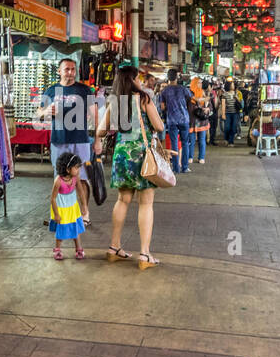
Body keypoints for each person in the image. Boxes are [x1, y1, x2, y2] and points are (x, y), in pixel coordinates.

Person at [95, 64, 167, 269]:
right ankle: (144, 254)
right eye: (139, 78)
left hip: (121, 155)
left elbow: (100, 131)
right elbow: (159, 126)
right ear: (133, 80)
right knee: (145, 203)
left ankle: (114, 247)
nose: (141, 82)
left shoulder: (115, 102)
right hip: (141, 156)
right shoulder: (143, 99)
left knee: (122, 200)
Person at [37, 57, 96, 225]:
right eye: (66, 69)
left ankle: (84, 213)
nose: (70, 72)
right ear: (59, 71)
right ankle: (61, 214)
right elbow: (39, 112)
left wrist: (98, 139)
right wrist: (46, 110)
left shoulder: (84, 90)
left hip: (81, 140)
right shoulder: (51, 91)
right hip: (59, 140)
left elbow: (95, 116)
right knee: (60, 178)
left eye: (72, 69)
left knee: (82, 178)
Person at [49, 152, 87, 260]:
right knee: (61, 230)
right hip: (61, 209)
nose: (78, 170)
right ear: (67, 169)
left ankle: (78, 248)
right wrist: (56, 214)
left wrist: (84, 206)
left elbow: (80, 191)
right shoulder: (58, 181)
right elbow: (53, 199)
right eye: (76, 167)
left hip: (73, 208)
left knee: (76, 229)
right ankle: (57, 249)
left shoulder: (75, 178)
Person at [157, 68, 192, 173]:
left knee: (174, 143)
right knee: (185, 143)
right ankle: (185, 167)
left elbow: (162, 107)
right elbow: (190, 98)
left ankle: (176, 168)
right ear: (177, 77)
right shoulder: (183, 89)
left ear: (168, 77)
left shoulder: (164, 91)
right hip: (184, 119)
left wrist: (170, 105)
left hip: (171, 120)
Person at [189, 77, 211, 164]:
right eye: (198, 83)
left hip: (202, 121)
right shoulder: (190, 94)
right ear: (194, 83)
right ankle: (190, 156)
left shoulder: (203, 93)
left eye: (201, 83)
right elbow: (190, 105)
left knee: (202, 140)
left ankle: (201, 157)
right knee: (191, 140)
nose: (200, 84)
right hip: (193, 120)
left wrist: (207, 109)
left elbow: (210, 106)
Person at [222, 80, 243, 145]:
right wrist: (223, 114)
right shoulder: (224, 94)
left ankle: (231, 141)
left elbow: (240, 104)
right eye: (232, 84)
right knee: (227, 127)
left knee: (234, 127)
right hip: (227, 113)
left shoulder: (236, 93)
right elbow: (223, 104)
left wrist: (237, 98)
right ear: (229, 85)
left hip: (235, 113)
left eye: (233, 84)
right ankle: (226, 138)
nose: (233, 85)